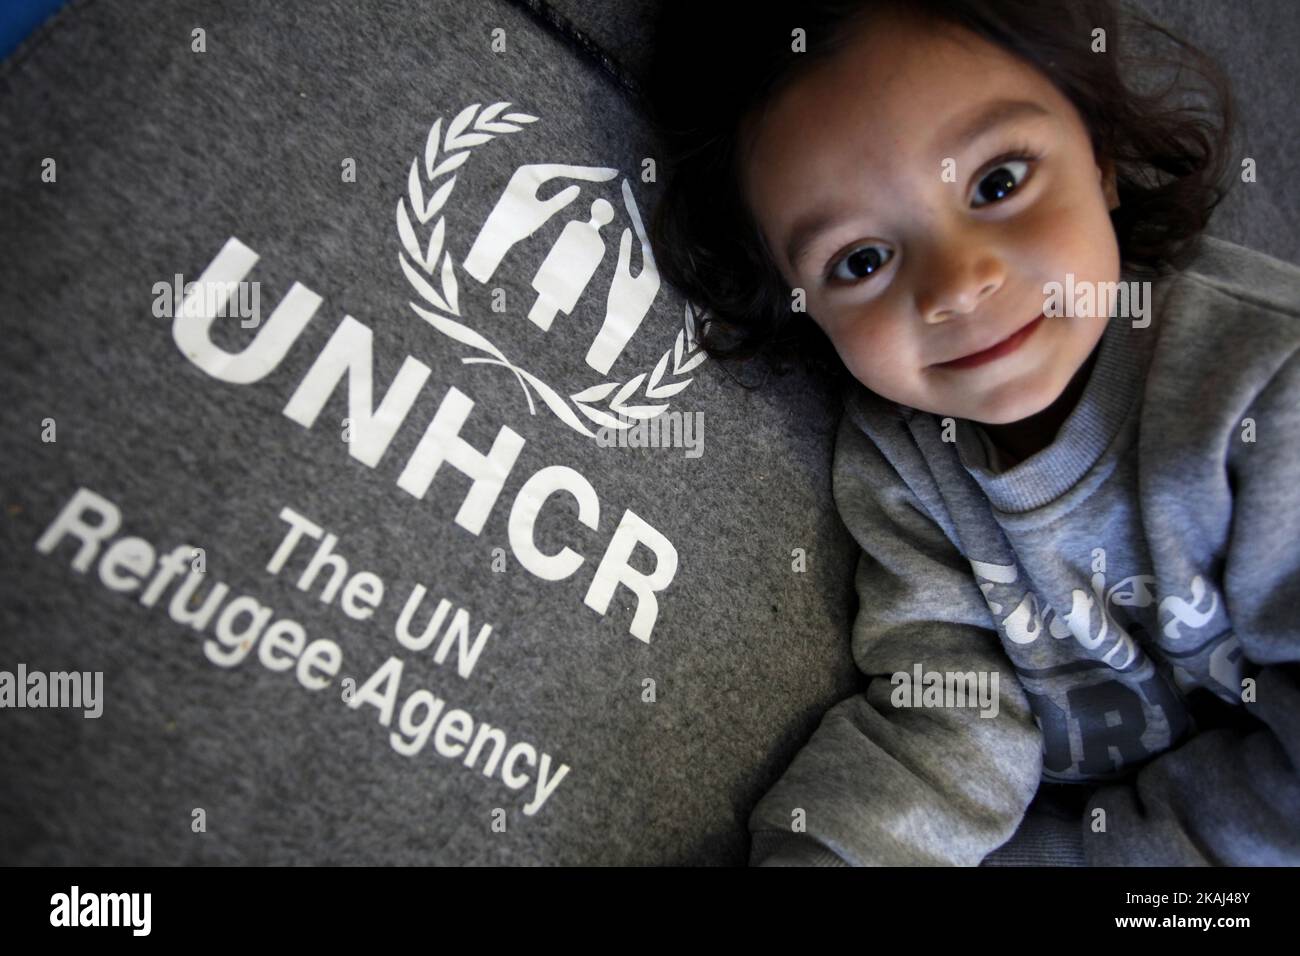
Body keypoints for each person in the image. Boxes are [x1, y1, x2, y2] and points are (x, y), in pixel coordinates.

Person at [646, 0, 1300, 865]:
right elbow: (950, 705)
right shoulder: (900, 454)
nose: (957, 283)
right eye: (861, 261)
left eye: (998, 184)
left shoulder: (1262, 388)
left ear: (1101, 153)